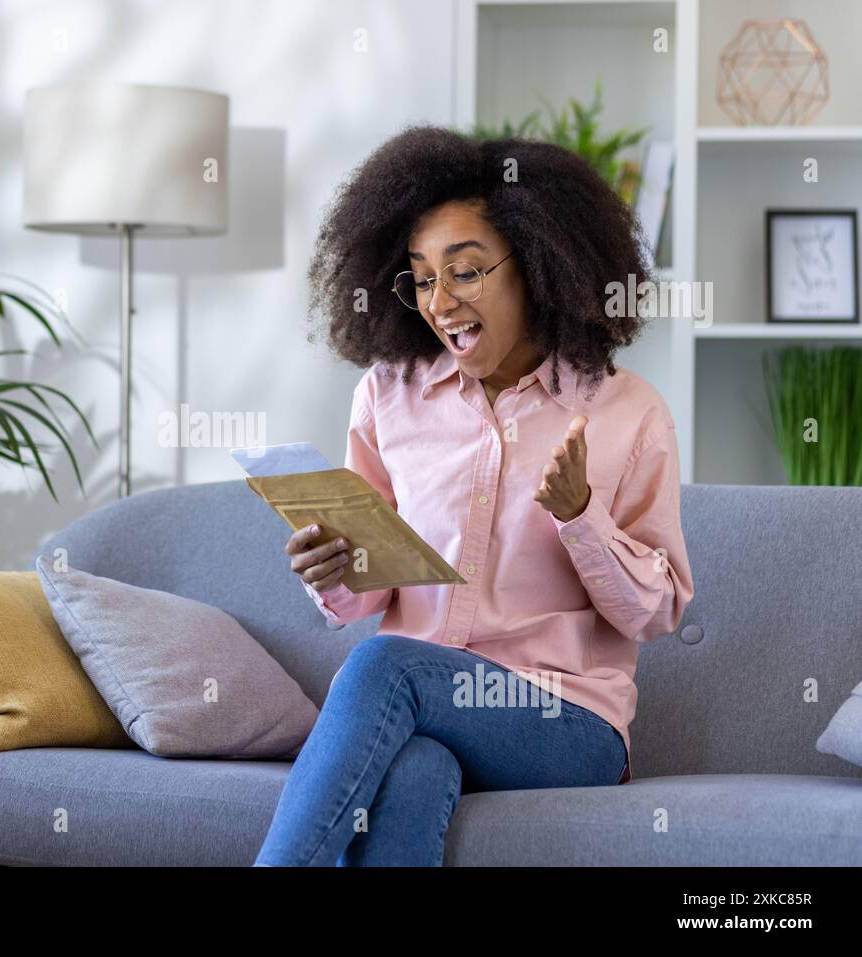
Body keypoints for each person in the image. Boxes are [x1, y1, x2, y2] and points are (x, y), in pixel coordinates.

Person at [253, 126, 695, 867]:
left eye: (465, 271)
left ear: (539, 266)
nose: (440, 300)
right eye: (422, 278)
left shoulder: (629, 412)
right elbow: (371, 590)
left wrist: (581, 516)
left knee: (382, 665)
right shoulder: (387, 397)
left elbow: (656, 612)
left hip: (564, 722)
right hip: (426, 711)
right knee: (418, 765)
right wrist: (335, 569)